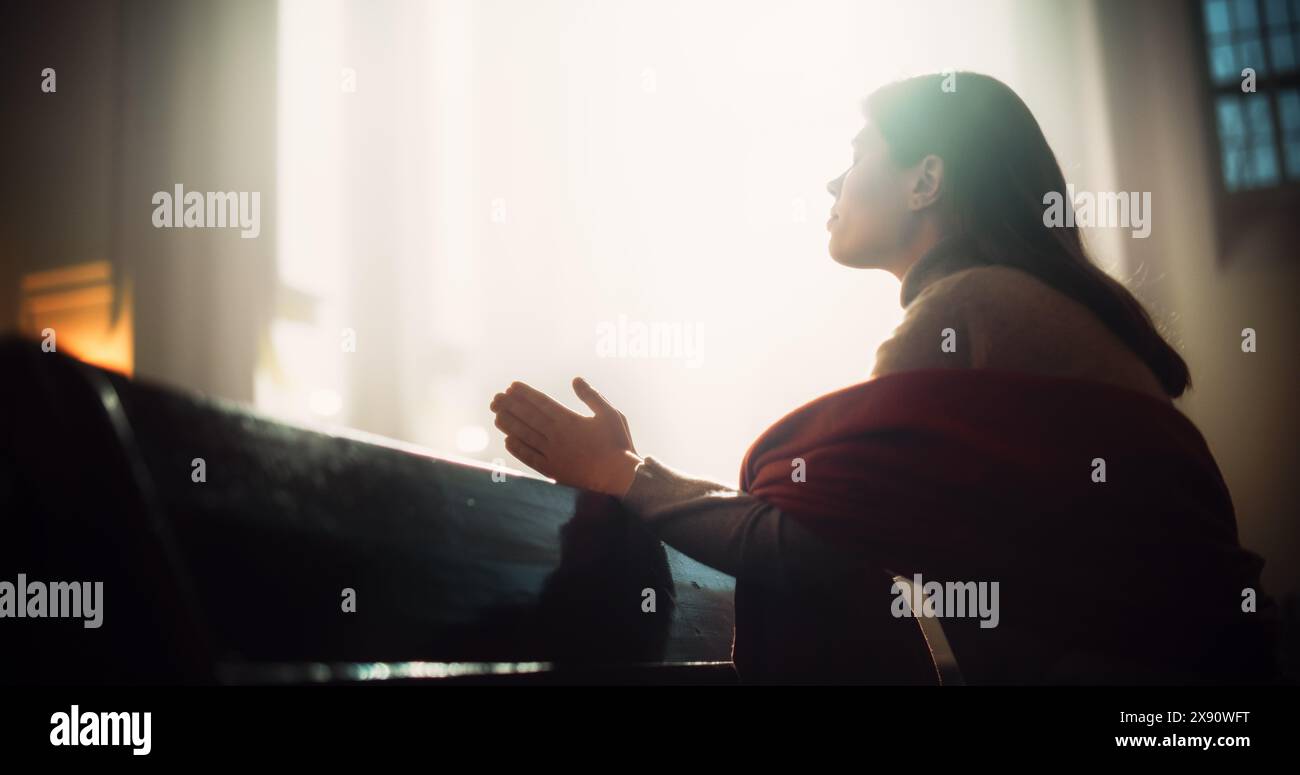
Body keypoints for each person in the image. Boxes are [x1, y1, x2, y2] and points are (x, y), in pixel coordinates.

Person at [488, 73, 1279, 684]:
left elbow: (810, 549)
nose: (835, 184)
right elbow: (841, 523)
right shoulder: (1040, 304)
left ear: (925, 181)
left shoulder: (964, 305)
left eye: (859, 155)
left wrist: (618, 475)